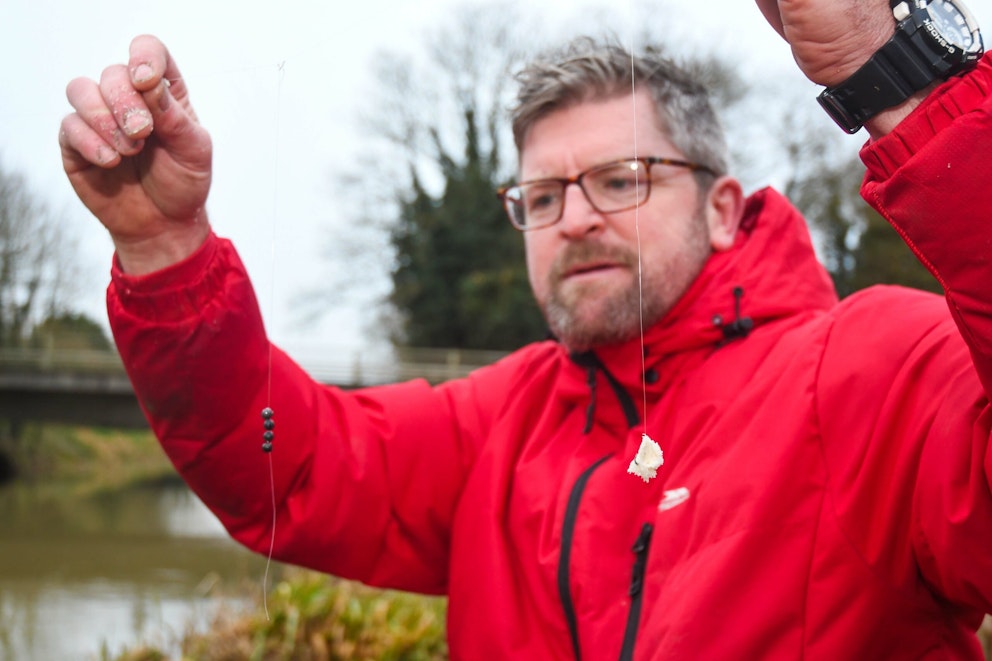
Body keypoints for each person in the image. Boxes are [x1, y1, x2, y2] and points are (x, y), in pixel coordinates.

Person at [60, 0, 992, 658]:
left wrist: (899, 79)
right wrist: (168, 248)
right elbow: (285, 467)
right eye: (541, 196)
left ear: (721, 208)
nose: (574, 218)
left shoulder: (875, 370)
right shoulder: (503, 419)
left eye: (621, 180)